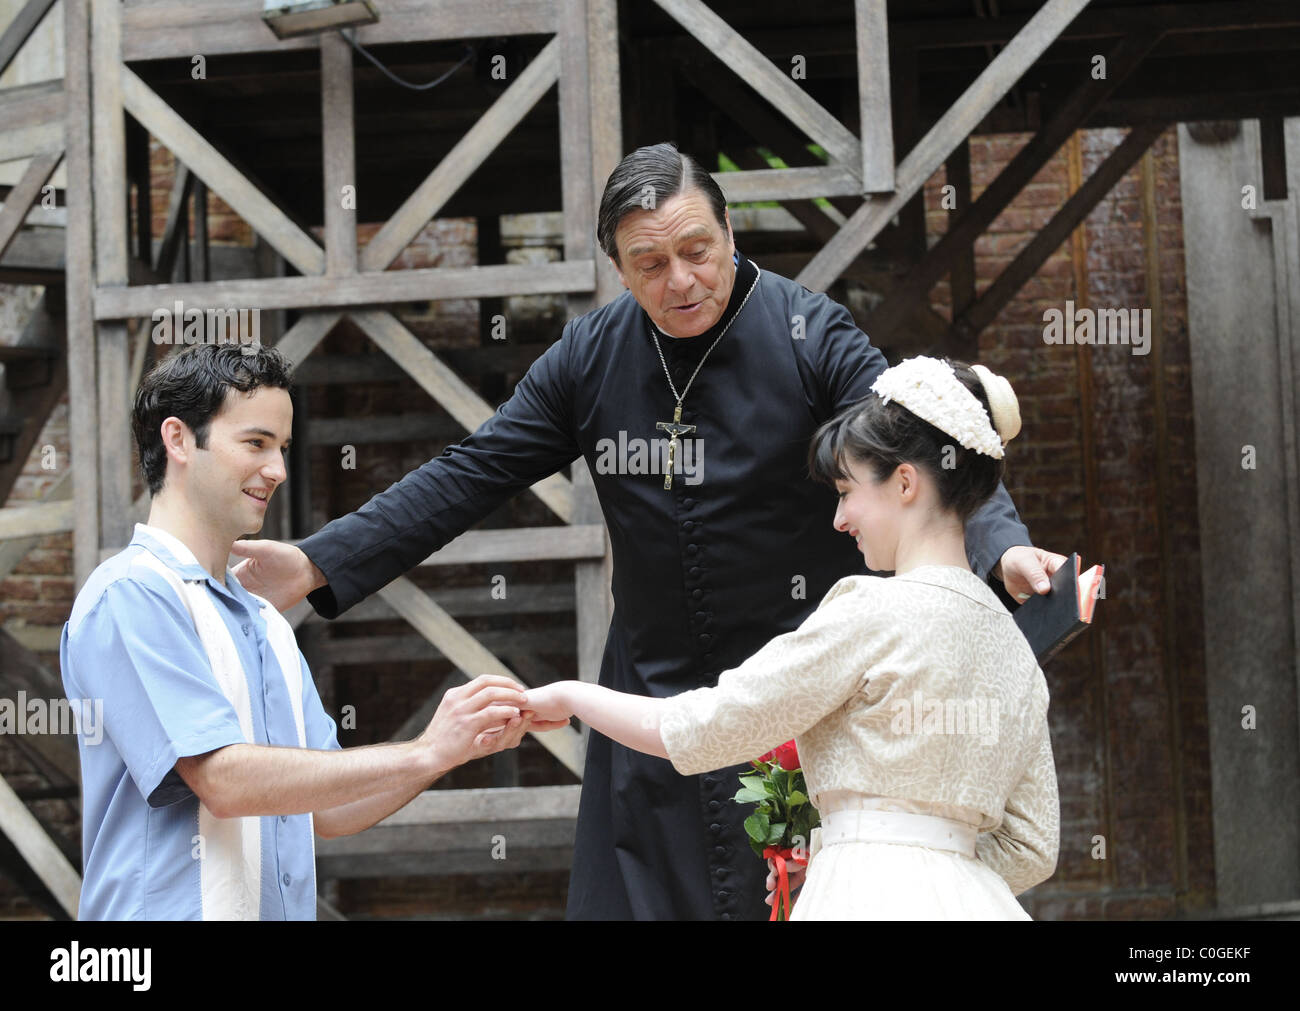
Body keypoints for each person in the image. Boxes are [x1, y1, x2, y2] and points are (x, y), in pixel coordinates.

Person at [229, 142, 1066, 920]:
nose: (681, 280)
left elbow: (912, 434)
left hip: (792, 698)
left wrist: (1004, 545)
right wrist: (315, 561)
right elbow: (471, 472)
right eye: (650, 264)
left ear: (730, 230)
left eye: (697, 249)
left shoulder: (808, 331)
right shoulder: (589, 358)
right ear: (620, 271)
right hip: (646, 702)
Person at [520, 356, 1060, 918]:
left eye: (847, 490)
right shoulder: (1013, 644)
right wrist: (936, 870)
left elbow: (707, 728)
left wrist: (569, 696)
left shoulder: (870, 610)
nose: (839, 518)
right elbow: (1033, 846)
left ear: (905, 482)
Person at [59, 343, 554, 920]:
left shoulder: (265, 619)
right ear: (178, 440)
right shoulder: (132, 594)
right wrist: (422, 750)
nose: (277, 470)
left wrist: (449, 751)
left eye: (283, 448)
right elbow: (222, 781)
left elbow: (327, 811)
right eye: (255, 443)